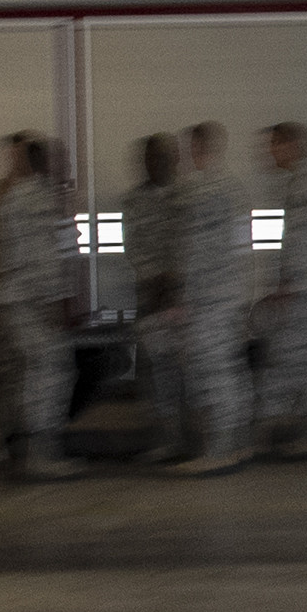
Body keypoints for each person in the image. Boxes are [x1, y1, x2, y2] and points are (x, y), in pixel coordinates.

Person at [0, 134, 79, 481]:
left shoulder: (18, 200)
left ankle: (26, 450)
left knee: (30, 375)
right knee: (40, 371)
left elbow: (62, 253)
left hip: (9, 300)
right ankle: (29, 452)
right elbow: (41, 259)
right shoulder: (28, 199)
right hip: (25, 302)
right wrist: (56, 300)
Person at [172, 121, 255, 476]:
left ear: (198, 148)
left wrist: (184, 298)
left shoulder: (203, 190)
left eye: (189, 148)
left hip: (209, 297)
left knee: (213, 371)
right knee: (230, 370)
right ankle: (237, 445)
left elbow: (196, 252)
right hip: (229, 292)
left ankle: (218, 450)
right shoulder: (232, 187)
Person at [254, 120, 307, 457]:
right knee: (306, 361)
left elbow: (304, 240)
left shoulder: (304, 184)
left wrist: (288, 284)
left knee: (290, 359)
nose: (270, 152)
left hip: (306, 288)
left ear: (293, 145)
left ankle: (298, 433)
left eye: (274, 144)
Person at [121, 132, 189, 462]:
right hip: (150, 298)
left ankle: (193, 438)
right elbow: (133, 247)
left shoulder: (189, 195)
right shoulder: (133, 201)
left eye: (161, 156)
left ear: (175, 158)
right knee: (154, 373)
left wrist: (174, 280)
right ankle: (165, 439)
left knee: (188, 369)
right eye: (148, 158)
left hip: (183, 300)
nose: (153, 163)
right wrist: (155, 280)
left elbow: (192, 246)